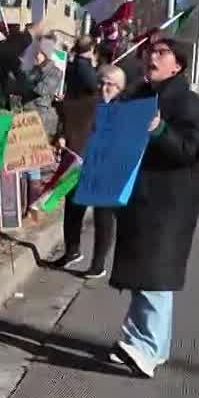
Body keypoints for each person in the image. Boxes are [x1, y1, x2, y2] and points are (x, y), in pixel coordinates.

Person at [111, 37, 199, 378]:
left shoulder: (188, 105)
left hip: (169, 203)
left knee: (156, 275)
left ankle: (147, 349)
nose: (152, 57)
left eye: (162, 53)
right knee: (144, 274)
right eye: (150, 52)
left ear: (177, 65)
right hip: (138, 198)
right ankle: (146, 343)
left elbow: (193, 151)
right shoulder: (138, 96)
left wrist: (161, 129)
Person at [51, 61, 126, 278]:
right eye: (101, 83)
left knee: (103, 216)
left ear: (120, 88)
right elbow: (69, 124)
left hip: (107, 169)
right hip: (80, 165)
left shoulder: (123, 111)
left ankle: (98, 264)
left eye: (111, 85)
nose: (104, 88)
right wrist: (63, 137)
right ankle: (71, 252)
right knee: (73, 209)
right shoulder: (87, 104)